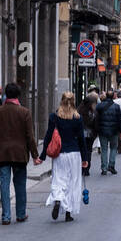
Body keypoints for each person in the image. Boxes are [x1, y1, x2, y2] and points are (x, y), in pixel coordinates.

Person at [0, 82, 36, 225]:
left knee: (4, 184)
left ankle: (6, 216)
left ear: (5, 94)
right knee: (20, 184)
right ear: (18, 95)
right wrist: (35, 155)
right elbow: (30, 136)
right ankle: (20, 214)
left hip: (2, 154)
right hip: (20, 154)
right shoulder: (24, 112)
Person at [40, 91, 89, 223]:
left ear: (61, 101)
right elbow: (81, 140)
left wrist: (42, 155)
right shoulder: (77, 118)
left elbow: (48, 137)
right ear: (73, 101)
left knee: (59, 180)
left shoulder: (54, 117)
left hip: (60, 154)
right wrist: (85, 158)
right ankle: (68, 213)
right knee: (72, 183)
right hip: (74, 153)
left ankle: (57, 199)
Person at [94, 89, 121, 175]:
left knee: (104, 149)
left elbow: (96, 118)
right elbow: (119, 120)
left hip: (102, 131)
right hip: (114, 131)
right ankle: (111, 165)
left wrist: (97, 129)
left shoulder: (99, 106)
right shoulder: (116, 107)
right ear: (113, 97)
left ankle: (104, 168)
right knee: (113, 148)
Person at [79, 86, 99, 168]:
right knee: (89, 150)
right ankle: (87, 167)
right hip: (90, 134)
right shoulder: (93, 112)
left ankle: (83, 166)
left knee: (82, 150)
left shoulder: (80, 111)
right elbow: (95, 124)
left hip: (82, 133)